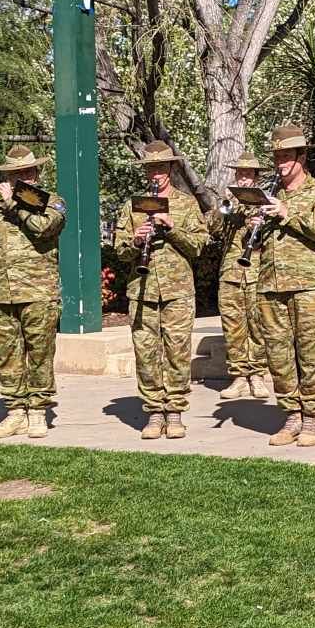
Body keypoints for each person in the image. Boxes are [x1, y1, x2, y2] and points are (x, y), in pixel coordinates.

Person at [0, 145, 66, 439]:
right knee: (6, 355)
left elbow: (43, 228)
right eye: (18, 173)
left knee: (40, 354)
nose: (25, 177)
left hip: (38, 291)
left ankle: (37, 412)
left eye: (29, 172)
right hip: (0, 292)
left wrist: (13, 203)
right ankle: (15, 412)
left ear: (37, 173)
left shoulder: (51, 202)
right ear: (8, 176)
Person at [111, 141, 208, 439]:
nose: (156, 174)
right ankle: (154, 411)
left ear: (170, 168)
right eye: (151, 168)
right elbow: (119, 249)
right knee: (146, 353)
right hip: (142, 291)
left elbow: (199, 246)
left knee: (177, 352)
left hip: (178, 291)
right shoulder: (133, 205)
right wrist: (136, 241)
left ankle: (175, 410)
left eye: (161, 168)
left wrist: (172, 227)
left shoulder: (187, 203)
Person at [256, 123, 315, 445]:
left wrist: (287, 213)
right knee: (278, 354)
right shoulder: (270, 195)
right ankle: (291, 416)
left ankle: (312, 418)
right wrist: (258, 222)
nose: (281, 163)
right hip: (271, 284)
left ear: (302, 157)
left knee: (312, 354)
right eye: (277, 157)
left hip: (311, 286)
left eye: (287, 156)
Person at [216, 154, 273, 403]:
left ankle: (258, 374)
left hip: (258, 271)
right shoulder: (228, 199)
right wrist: (226, 209)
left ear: (256, 177)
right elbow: (212, 228)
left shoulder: (266, 200)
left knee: (258, 325)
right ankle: (239, 376)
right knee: (232, 326)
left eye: (249, 174)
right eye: (240, 173)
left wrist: (258, 225)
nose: (244, 177)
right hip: (230, 272)